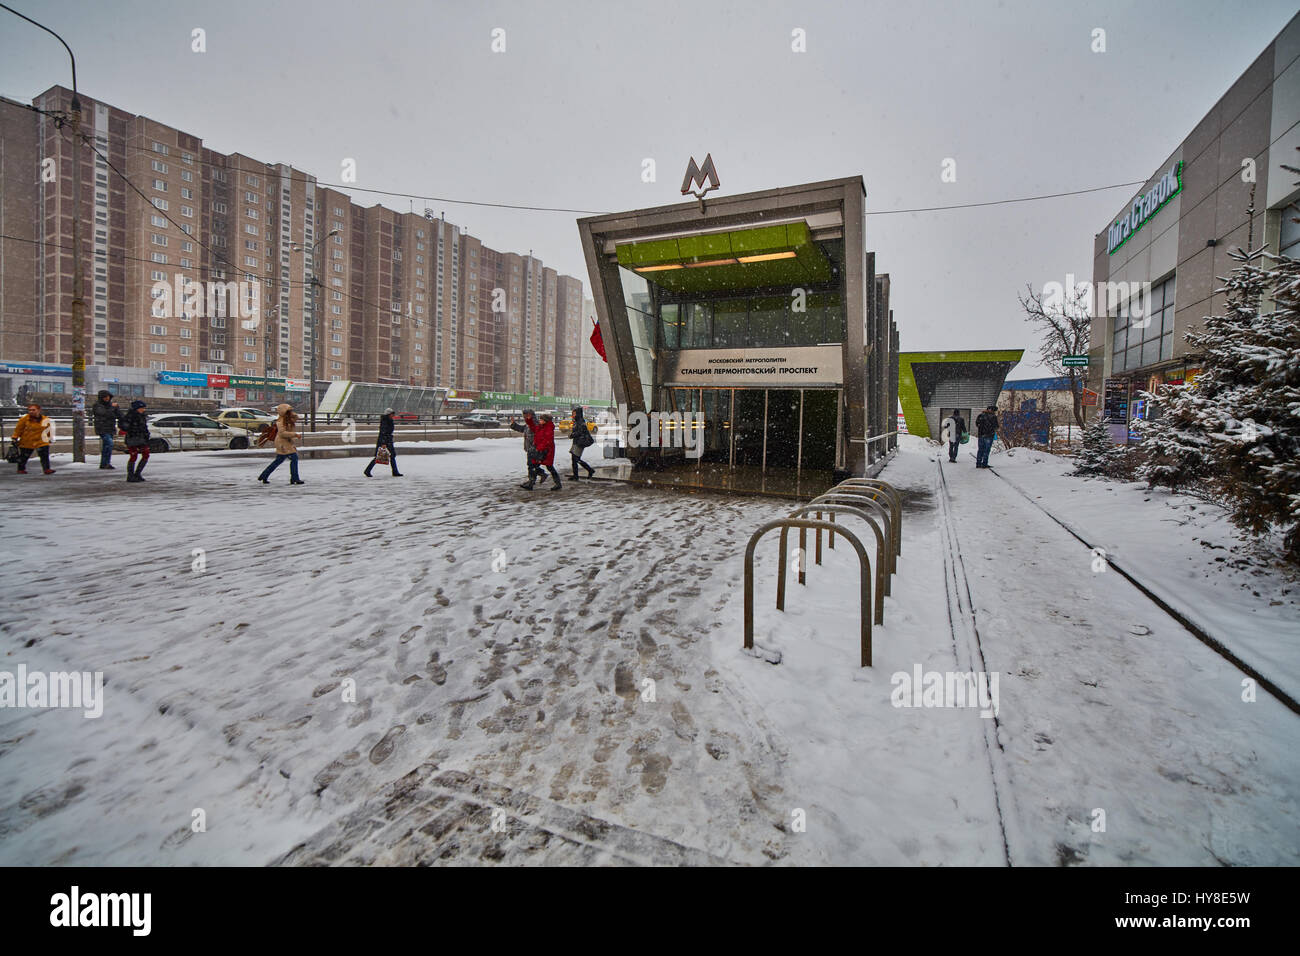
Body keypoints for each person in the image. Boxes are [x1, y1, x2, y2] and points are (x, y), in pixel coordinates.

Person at [258, 403, 304, 485]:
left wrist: (291, 412)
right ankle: (295, 478)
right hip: (283, 443)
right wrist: (295, 434)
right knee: (294, 458)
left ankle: (264, 475)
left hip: (286, 442)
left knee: (279, 461)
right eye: (289, 411)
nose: (291, 412)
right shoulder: (281, 421)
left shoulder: (287, 419)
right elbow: (282, 433)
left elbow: (296, 417)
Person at [11, 402, 55, 475]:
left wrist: (49, 438)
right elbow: (19, 429)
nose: (31, 412)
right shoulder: (25, 419)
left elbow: (47, 429)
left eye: (33, 410)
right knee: (24, 456)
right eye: (30, 410)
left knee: (44, 456)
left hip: (41, 441)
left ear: (39, 410)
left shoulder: (44, 419)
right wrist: (15, 437)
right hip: (27, 440)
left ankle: (47, 469)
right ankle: (21, 469)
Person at [364, 407, 402, 477]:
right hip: (385, 441)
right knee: (379, 456)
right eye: (392, 414)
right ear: (388, 414)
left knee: (391, 455)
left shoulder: (389, 420)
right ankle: (367, 470)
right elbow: (383, 432)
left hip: (388, 440)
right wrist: (383, 443)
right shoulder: (385, 421)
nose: (393, 415)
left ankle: (395, 471)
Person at [510, 410, 544, 489]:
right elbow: (522, 429)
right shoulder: (529, 423)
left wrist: (535, 447)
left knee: (531, 465)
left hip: (534, 448)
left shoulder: (535, 423)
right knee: (532, 465)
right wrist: (514, 424)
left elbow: (538, 436)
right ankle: (537, 477)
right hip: (530, 448)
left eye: (525, 415)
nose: (524, 416)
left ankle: (531, 482)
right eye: (524, 415)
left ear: (531, 415)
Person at [120, 399, 151, 482]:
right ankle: (131, 475)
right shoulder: (130, 416)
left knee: (146, 454)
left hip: (141, 438)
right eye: (142, 408)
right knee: (134, 456)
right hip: (133, 438)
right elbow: (124, 426)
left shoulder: (142, 416)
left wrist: (146, 435)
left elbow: (144, 428)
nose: (143, 410)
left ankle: (137, 474)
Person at [91, 389, 122, 469]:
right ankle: (105, 463)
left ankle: (105, 463)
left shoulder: (111, 405)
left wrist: (117, 409)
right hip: (102, 428)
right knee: (109, 444)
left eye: (108, 397)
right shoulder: (97, 405)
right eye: (105, 397)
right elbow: (103, 413)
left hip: (110, 427)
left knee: (107, 446)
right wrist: (112, 407)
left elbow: (119, 415)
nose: (107, 398)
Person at [568, 405, 596, 480]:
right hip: (577, 442)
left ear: (578, 414)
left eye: (574, 414)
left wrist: (572, 435)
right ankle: (576, 475)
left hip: (580, 443)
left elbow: (580, 432)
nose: (573, 415)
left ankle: (589, 470)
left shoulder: (580, 421)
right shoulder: (577, 421)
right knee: (575, 459)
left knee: (576, 459)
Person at [975, 405, 998, 469]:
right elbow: (996, 426)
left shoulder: (980, 415)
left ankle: (978, 463)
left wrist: (982, 428)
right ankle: (984, 464)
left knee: (980, 450)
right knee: (986, 450)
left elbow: (977, 424)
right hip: (989, 436)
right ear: (992, 410)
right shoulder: (993, 417)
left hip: (981, 435)